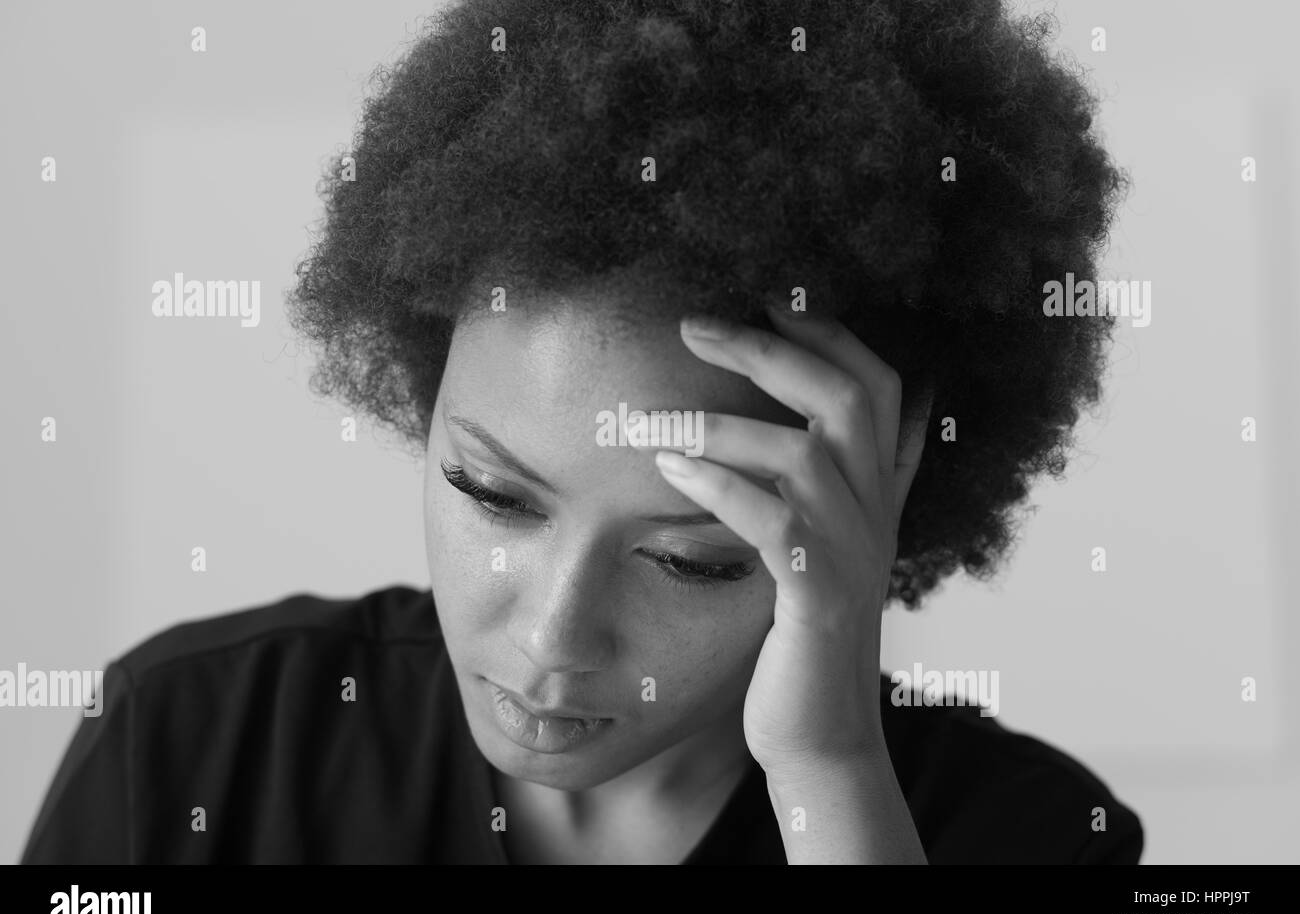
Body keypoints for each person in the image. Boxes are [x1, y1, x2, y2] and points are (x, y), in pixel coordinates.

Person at [22, 0, 1142, 864]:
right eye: (493, 493)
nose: (555, 636)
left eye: (688, 557)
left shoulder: (1025, 833)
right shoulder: (187, 743)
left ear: (873, 507)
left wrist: (829, 770)